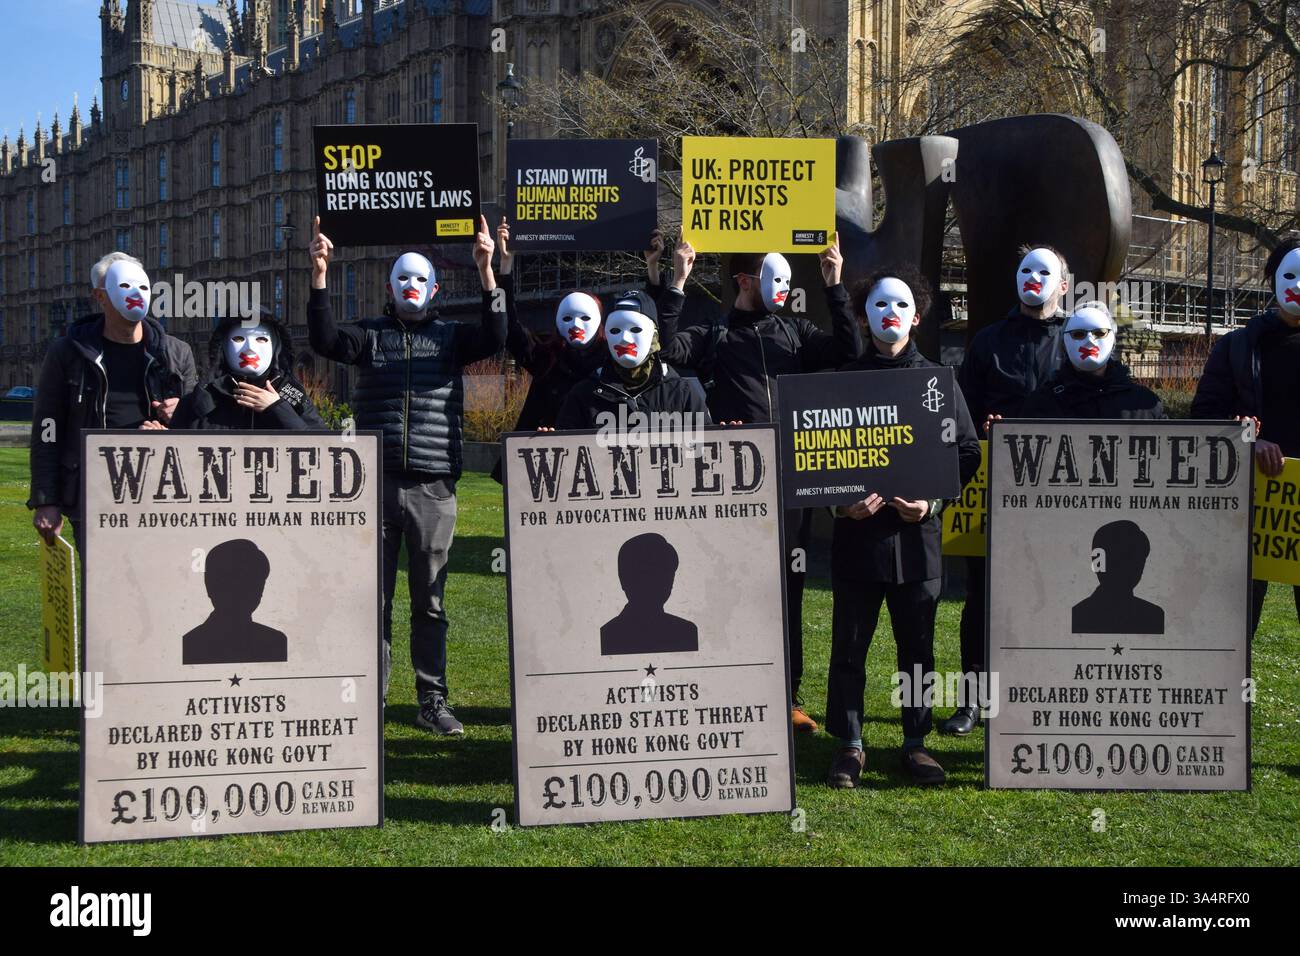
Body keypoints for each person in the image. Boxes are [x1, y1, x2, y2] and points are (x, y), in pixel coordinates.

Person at [307, 215, 506, 735]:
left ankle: (432, 700)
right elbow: (325, 340)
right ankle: (368, 699)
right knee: (371, 602)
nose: (411, 286)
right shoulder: (370, 337)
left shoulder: (452, 339)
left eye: (420, 279)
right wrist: (320, 276)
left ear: (434, 288)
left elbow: (497, 333)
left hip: (434, 487)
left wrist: (489, 274)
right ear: (389, 288)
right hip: (375, 486)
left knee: (431, 602)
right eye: (402, 278)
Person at [658, 237, 861, 734]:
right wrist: (678, 281)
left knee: (787, 587)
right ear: (745, 281)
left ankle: (785, 695)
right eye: (775, 280)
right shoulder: (717, 334)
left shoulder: (796, 332)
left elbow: (850, 350)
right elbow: (665, 346)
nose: (785, 290)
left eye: (790, 283)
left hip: (789, 483)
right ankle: (727, 686)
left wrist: (834, 285)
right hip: (733, 485)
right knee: (728, 587)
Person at [824, 267, 982, 788]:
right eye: (878, 304)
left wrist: (932, 503)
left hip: (917, 542)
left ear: (917, 316)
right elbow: (816, 461)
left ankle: (915, 744)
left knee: (918, 650)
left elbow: (966, 451)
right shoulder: (841, 381)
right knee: (849, 647)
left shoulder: (940, 381)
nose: (889, 313)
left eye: (901, 305)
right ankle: (849, 744)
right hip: (857, 542)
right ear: (864, 314)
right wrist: (840, 506)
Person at [944, 242, 1070, 737]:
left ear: (1064, 284)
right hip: (992, 493)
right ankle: (972, 701)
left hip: (1061, 499)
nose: (1032, 278)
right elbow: (962, 415)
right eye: (1025, 270)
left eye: (1045, 271)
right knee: (982, 597)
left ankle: (1043, 697)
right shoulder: (988, 340)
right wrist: (981, 429)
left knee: (1055, 596)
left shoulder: (1083, 336)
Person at [29, 252, 197, 565]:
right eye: (124, 286)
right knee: (103, 587)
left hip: (159, 492)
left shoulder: (176, 353)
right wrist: (46, 499)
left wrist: (180, 419)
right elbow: (47, 428)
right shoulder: (68, 353)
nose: (136, 294)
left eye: (143, 287)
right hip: (95, 491)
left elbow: (197, 432)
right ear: (100, 297)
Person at [488, 220, 678, 478]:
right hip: (545, 464)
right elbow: (508, 326)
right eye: (568, 318)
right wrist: (506, 266)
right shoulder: (546, 357)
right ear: (557, 320)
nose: (576, 325)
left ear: (601, 322)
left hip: (599, 464)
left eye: (585, 317)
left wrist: (653, 268)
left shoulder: (613, 359)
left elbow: (646, 328)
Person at [1192, 236, 1300, 633]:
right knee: (1235, 629)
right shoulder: (1237, 347)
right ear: (1272, 280)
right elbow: (1204, 418)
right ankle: (1237, 696)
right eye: (1291, 276)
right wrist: (1248, 441)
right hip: (1250, 507)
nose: (1299, 287)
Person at [555, 289, 708, 430]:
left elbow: (706, 449)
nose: (624, 339)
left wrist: (723, 434)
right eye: (615, 330)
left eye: (635, 329)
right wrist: (547, 441)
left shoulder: (680, 392)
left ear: (654, 334)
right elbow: (564, 449)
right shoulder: (584, 394)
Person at [171, 308, 324, 430]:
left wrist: (278, 409)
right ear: (223, 347)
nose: (250, 348)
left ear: (275, 347)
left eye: (261, 339)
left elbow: (323, 452)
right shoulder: (201, 399)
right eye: (239, 339)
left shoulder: (291, 394)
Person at [1019, 302, 1166, 420]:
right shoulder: (1043, 404)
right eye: (1078, 334)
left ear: (1113, 340)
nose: (1090, 340)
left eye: (1099, 333)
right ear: (1064, 343)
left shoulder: (1143, 404)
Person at [182, 538, 289, 665]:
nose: (249, 590)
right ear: (210, 585)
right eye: (236, 580)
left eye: (255, 581)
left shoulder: (276, 642)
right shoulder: (190, 645)